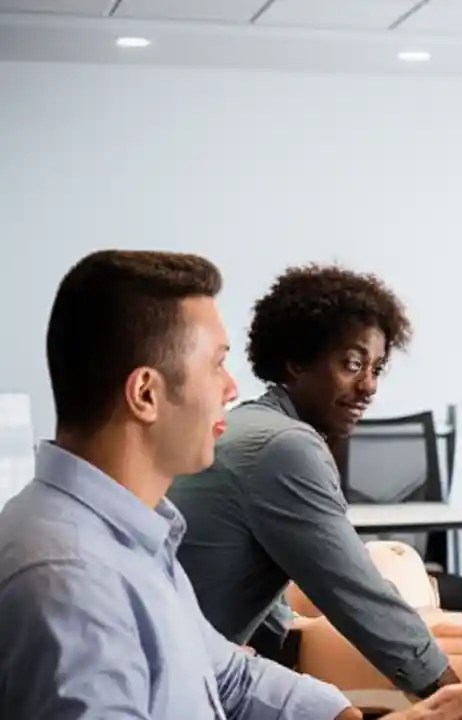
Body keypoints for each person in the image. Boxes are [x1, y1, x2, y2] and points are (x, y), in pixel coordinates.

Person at [0, 250, 357, 718]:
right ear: (146, 394)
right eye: (217, 364)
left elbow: (229, 677)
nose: (231, 388)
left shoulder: (134, 535)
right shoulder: (71, 580)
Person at [167, 264, 462, 701]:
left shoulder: (246, 426)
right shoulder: (285, 447)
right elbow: (361, 597)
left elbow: (255, 593)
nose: (369, 387)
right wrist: (458, 699)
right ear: (296, 361)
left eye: (377, 368)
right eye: (353, 364)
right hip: (182, 691)